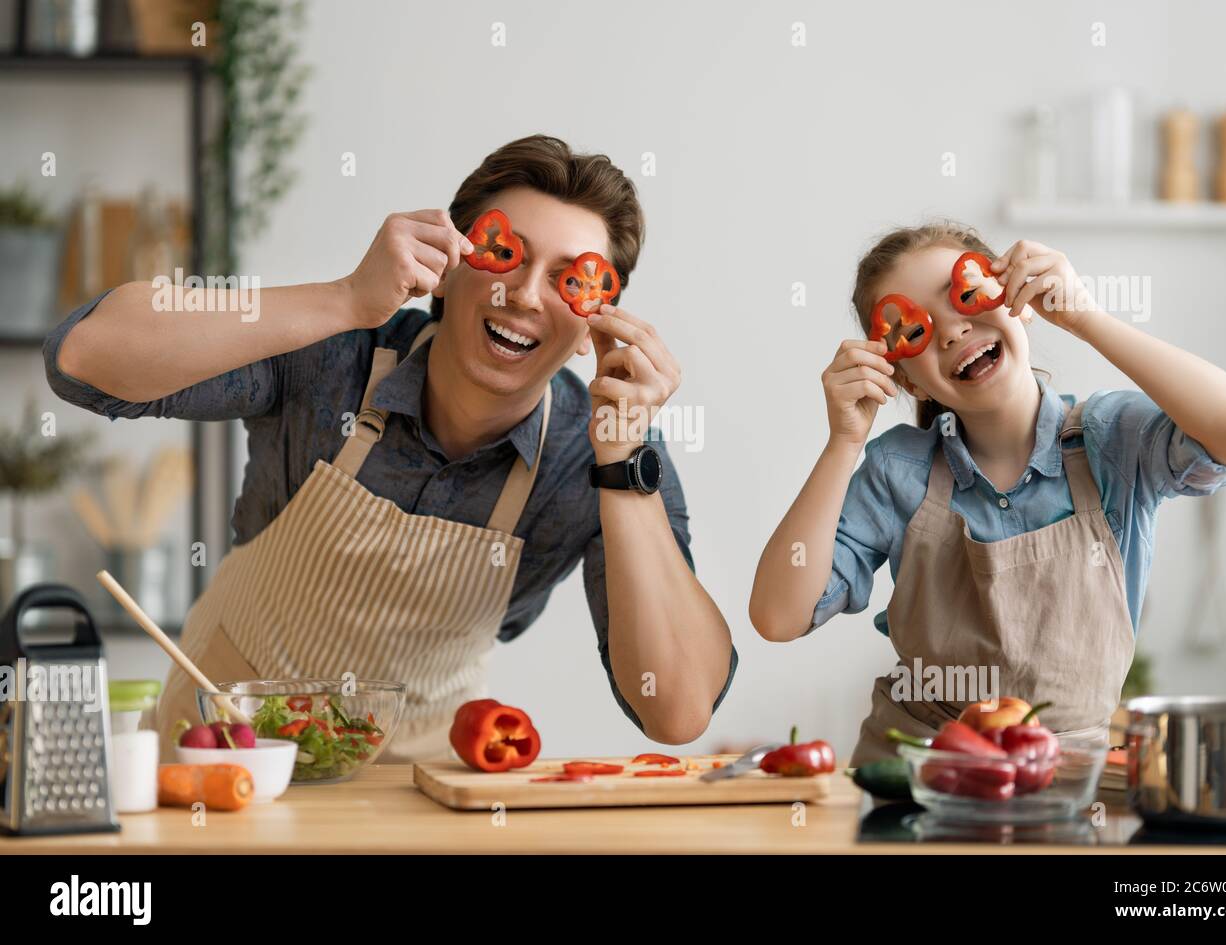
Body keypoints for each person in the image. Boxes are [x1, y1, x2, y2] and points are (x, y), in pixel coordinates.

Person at [46, 134, 736, 762]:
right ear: (449, 266)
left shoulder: (603, 458)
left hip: (415, 802)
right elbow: (82, 356)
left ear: (594, 323)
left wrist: (622, 466)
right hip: (217, 765)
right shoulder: (330, 359)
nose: (524, 294)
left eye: (571, 278)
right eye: (504, 251)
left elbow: (675, 710)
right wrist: (347, 298)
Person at [749, 223, 1226, 765]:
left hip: (1066, 783)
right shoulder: (896, 469)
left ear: (1019, 302)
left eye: (968, 293)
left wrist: (1083, 317)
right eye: (916, 330)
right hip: (912, 777)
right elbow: (778, 616)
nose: (952, 331)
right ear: (906, 381)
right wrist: (843, 443)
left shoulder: (1110, 441)